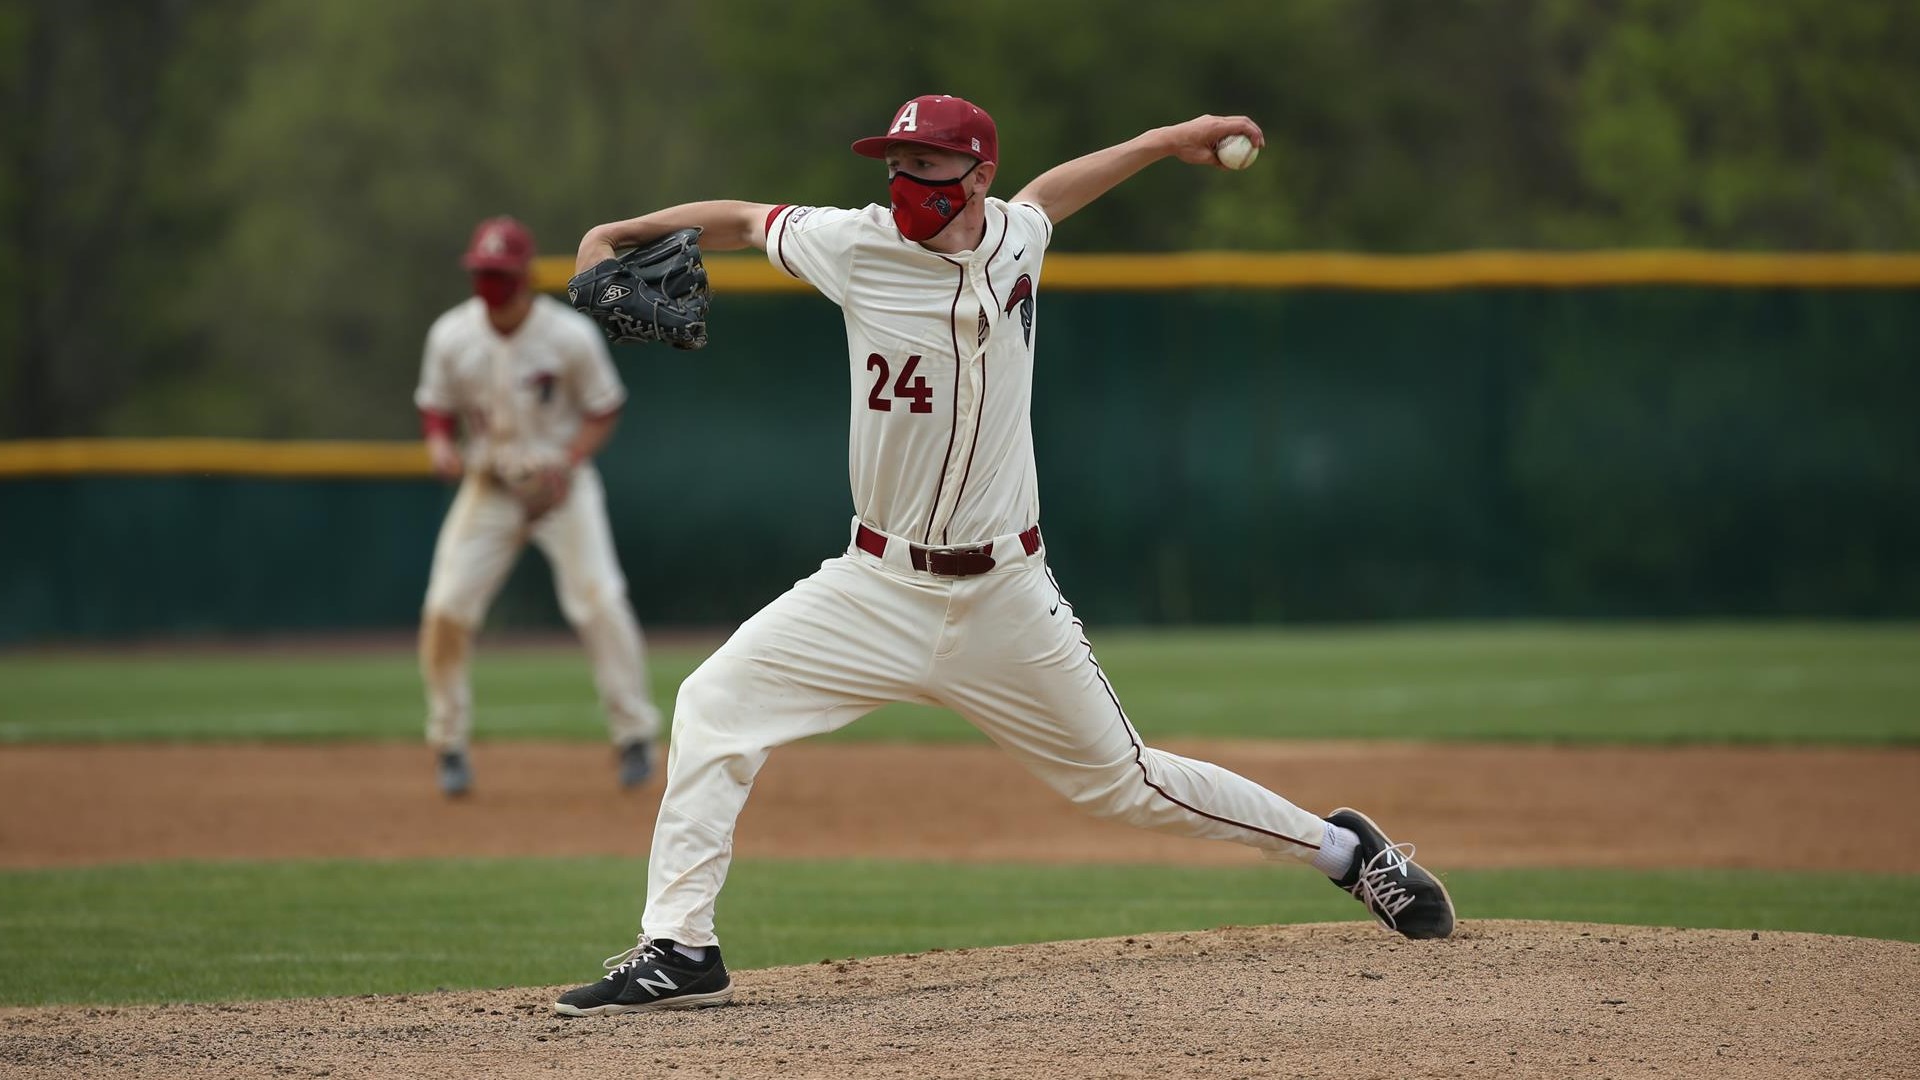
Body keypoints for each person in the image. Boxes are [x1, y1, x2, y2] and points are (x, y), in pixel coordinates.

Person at [553, 96, 1454, 1016]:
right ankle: (680, 947)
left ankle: (1347, 853)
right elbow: (744, 221)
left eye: (931, 167)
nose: (906, 184)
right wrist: (611, 232)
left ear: (978, 176)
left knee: (1128, 784)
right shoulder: (854, 245)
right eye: (896, 165)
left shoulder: (1016, 238)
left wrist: (1164, 141)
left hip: (1005, 597)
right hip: (874, 585)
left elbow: (1056, 194)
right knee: (713, 704)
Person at [413, 215, 664, 797]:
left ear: (524, 274)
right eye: (482, 272)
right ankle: (449, 744)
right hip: (491, 486)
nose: (490, 282)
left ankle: (634, 736)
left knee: (600, 602)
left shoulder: (568, 336)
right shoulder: (451, 335)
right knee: (447, 608)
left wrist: (570, 461)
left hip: (561, 487)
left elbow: (605, 407)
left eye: (499, 272)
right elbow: (435, 404)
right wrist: (440, 443)